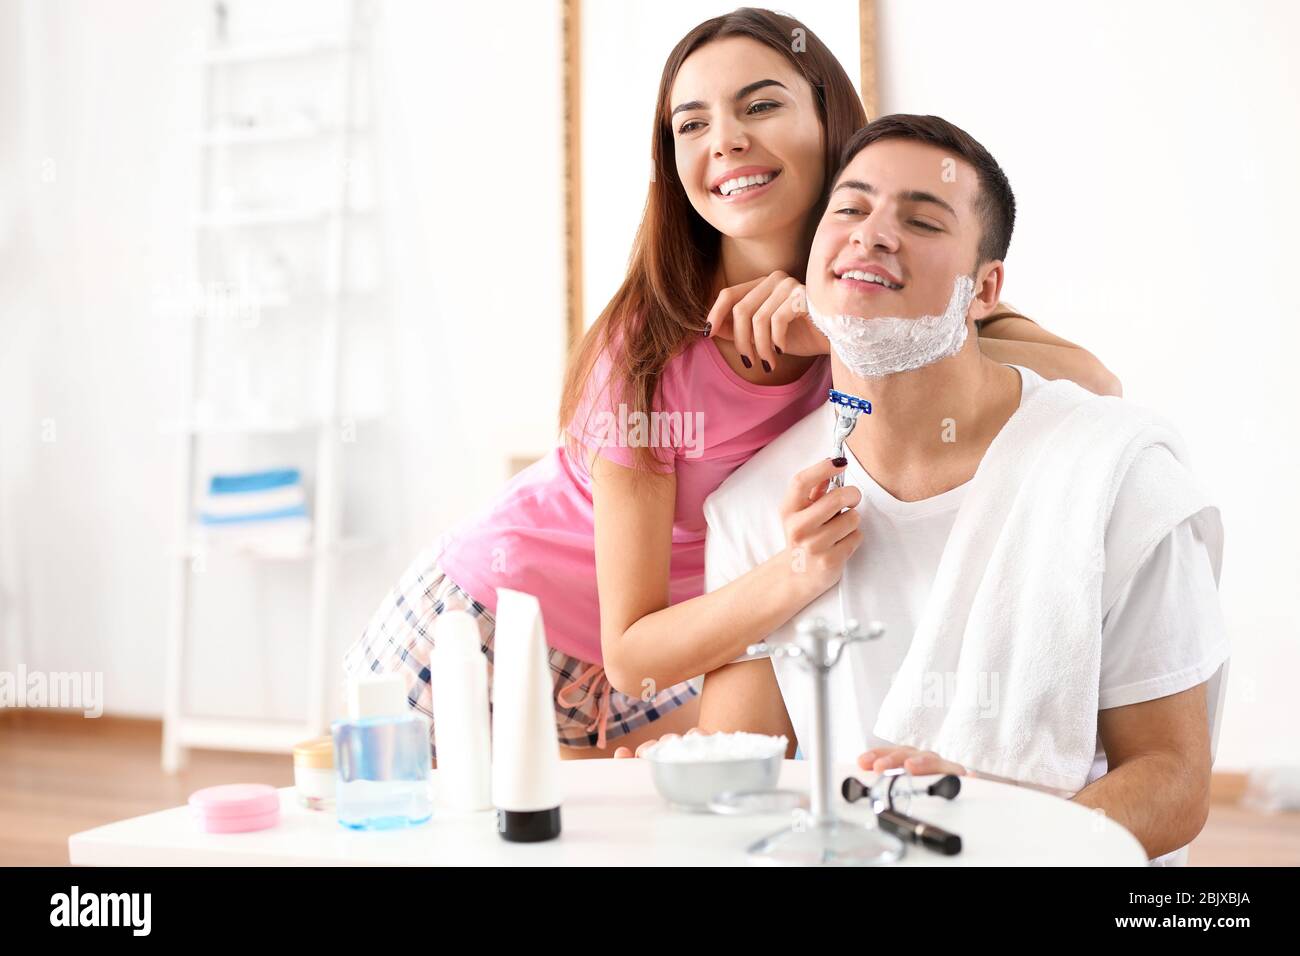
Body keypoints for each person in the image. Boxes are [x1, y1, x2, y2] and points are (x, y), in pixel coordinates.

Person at [344, 9, 1121, 761]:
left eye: (761, 104)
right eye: (691, 124)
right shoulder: (644, 352)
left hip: (692, 642)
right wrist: (796, 571)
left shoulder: (881, 283)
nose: (726, 140)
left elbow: (1091, 382)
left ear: (830, 122)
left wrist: (835, 326)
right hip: (490, 634)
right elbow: (631, 649)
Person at [686, 114, 1229, 863]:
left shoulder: (1114, 477)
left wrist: (1000, 838)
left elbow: (1174, 779)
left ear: (984, 290)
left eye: (920, 218)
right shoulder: (756, 505)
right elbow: (748, 769)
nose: (872, 234)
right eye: (849, 208)